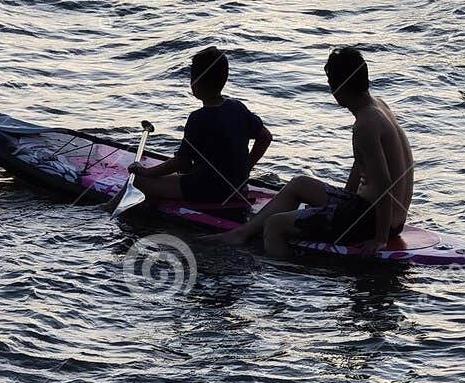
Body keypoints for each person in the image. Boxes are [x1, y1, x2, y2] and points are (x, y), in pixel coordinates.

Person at [208, 48, 413, 259]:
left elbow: (384, 183)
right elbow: (361, 163)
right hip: (380, 215)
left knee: (274, 226)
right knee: (299, 184)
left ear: (338, 86)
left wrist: (379, 239)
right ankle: (242, 234)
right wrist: (342, 201)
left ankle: (288, 281)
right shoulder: (378, 107)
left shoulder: (366, 124)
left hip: (374, 222)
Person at [129, 46, 272, 206]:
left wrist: (145, 171)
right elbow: (266, 137)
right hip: (238, 187)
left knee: (137, 182)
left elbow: (180, 163)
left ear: (194, 84)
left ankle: (105, 210)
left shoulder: (198, 118)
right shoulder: (237, 107)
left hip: (206, 190)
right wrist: (246, 168)